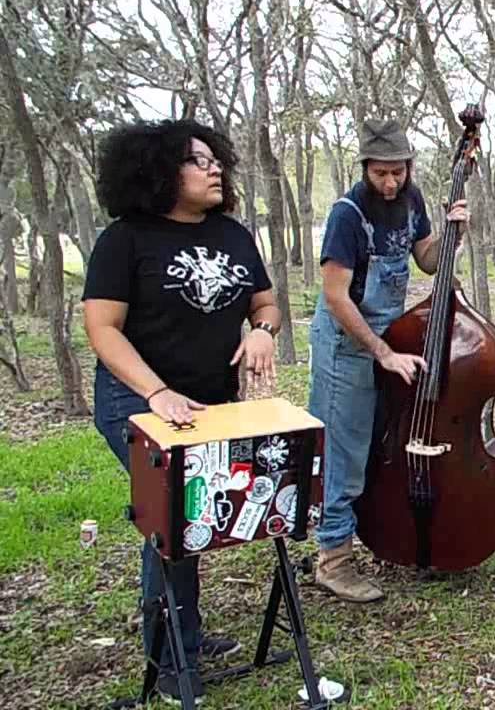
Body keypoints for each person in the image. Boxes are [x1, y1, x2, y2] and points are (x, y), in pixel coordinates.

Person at [84, 119, 280, 702]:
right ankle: (172, 656)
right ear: (160, 172)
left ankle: (177, 629)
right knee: (174, 514)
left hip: (211, 401)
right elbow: (102, 329)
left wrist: (264, 330)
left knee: (188, 519)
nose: (214, 168)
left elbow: (264, 301)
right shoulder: (125, 240)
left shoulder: (233, 234)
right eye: (198, 161)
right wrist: (155, 392)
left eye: (215, 159)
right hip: (137, 400)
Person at [308, 118, 470, 602]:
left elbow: (426, 258)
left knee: (381, 443)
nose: (391, 182)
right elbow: (336, 297)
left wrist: (452, 233)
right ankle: (333, 558)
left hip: (389, 338)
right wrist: (382, 352)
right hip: (346, 343)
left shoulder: (410, 200)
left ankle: (376, 530)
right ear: (365, 169)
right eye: (380, 173)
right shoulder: (347, 215)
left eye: (398, 171)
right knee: (345, 447)